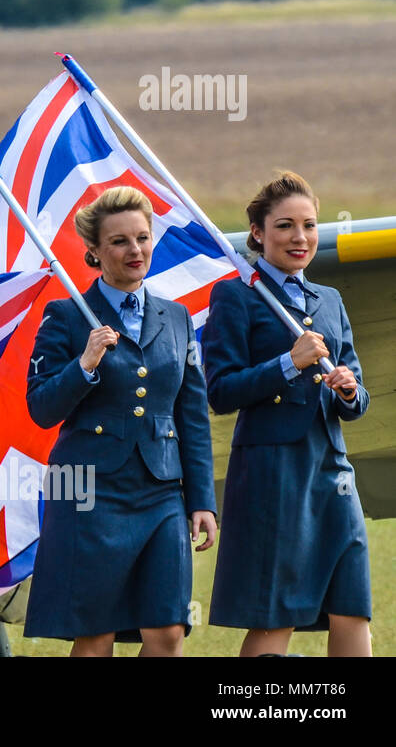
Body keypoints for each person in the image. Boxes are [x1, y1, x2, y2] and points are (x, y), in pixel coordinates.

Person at [24, 186, 217, 656]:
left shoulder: (177, 318)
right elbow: (42, 408)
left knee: (167, 629)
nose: (135, 250)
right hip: (90, 491)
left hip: (161, 491)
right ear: (93, 250)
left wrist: (203, 500)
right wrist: (85, 364)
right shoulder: (66, 316)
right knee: (96, 632)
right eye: (120, 241)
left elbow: (191, 415)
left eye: (143, 238)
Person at [203, 171, 371, 656]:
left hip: (332, 469)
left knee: (352, 606)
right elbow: (221, 392)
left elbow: (357, 399)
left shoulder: (331, 301)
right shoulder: (235, 297)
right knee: (278, 614)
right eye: (285, 226)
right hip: (272, 471)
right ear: (258, 232)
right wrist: (288, 363)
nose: (300, 238)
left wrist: (348, 390)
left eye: (309, 226)